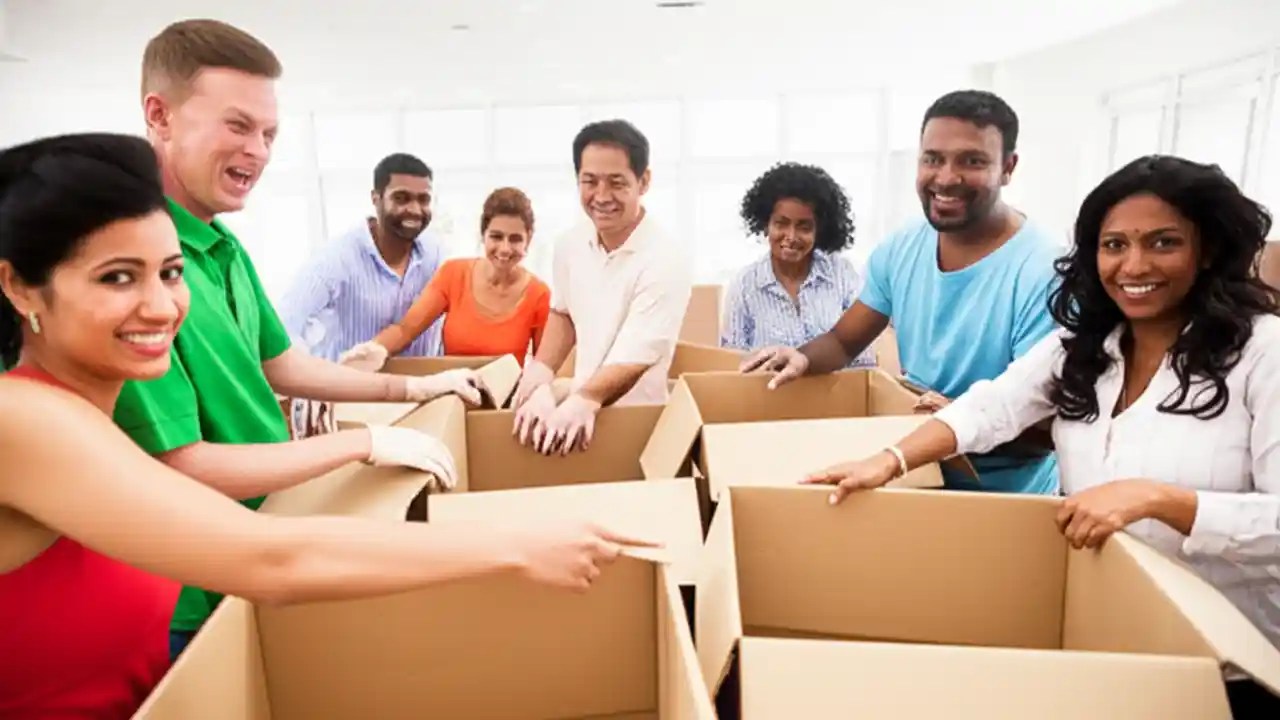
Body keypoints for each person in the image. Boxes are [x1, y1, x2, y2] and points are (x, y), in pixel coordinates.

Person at [0, 132, 652, 720]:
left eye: (171, 273)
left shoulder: (97, 421)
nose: (162, 304)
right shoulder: (24, 419)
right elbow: (272, 558)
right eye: (117, 277)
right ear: (20, 289)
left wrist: (403, 390)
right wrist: (515, 545)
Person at [803, 155, 1280, 717]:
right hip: (1111, 647)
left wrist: (1160, 500)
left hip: (1231, 668)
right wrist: (888, 461)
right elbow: (993, 406)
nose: (1133, 265)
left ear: (1207, 251)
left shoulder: (1261, 353)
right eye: (1114, 245)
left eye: (1163, 243)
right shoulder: (1085, 344)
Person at [115, 19, 485, 661]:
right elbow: (181, 464)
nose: (258, 151)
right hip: (189, 584)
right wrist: (358, 442)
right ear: (160, 115)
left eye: (269, 133)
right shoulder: (129, 264)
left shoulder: (223, 245)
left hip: (266, 534)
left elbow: (281, 363)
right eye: (237, 125)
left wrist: (411, 386)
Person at [741, 89, 1060, 495]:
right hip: (911, 473)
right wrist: (801, 357)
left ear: (1008, 167)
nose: (945, 177)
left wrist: (960, 423)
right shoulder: (904, 245)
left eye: (972, 161)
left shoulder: (1043, 272)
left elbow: (1050, 430)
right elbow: (843, 341)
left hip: (1003, 496)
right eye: (933, 159)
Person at [511, 120, 692, 455]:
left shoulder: (665, 259)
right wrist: (541, 370)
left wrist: (585, 398)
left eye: (617, 183)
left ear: (644, 181)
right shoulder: (569, 244)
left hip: (640, 426)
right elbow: (563, 313)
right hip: (577, 421)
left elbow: (638, 354)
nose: (602, 196)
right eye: (589, 181)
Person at [339, 187, 551, 370]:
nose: (505, 249)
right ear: (483, 234)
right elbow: (405, 330)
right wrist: (369, 352)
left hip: (505, 406)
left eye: (515, 239)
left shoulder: (539, 294)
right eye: (496, 236)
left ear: (528, 239)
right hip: (454, 395)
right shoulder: (453, 274)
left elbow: (545, 366)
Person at [279, 152, 444, 362]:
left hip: (421, 389)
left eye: (424, 199)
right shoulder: (336, 259)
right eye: (401, 198)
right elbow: (283, 328)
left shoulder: (436, 254)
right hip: (349, 390)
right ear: (376, 199)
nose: (414, 209)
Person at [720, 161, 876, 368]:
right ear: (765, 225)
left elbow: (864, 361)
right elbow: (732, 368)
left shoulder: (842, 275)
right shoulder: (744, 286)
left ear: (820, 230)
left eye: (804, 227)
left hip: (837, 397)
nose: (791, 237)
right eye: (781, 224)